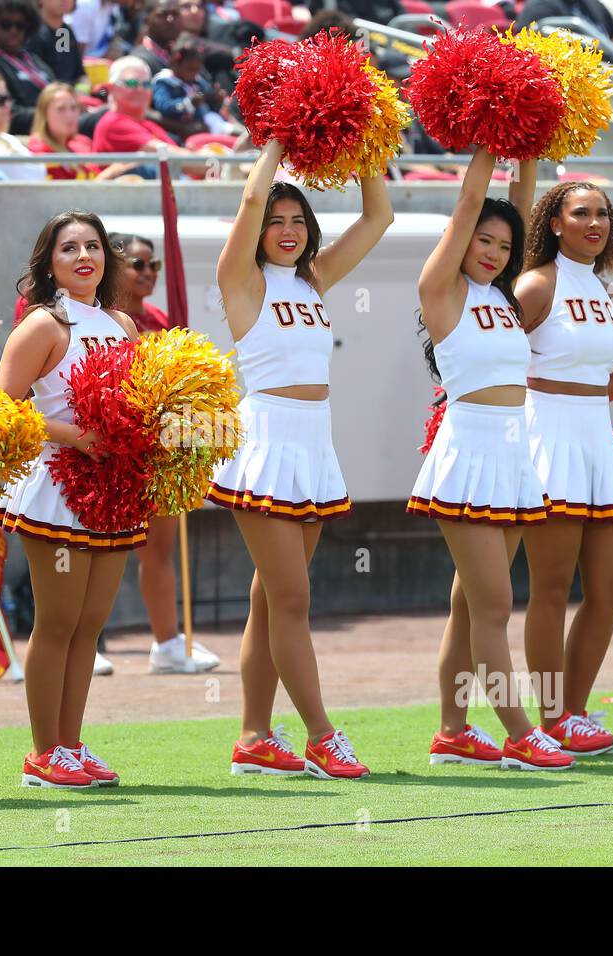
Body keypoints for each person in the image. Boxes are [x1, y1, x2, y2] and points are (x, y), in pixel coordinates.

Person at [209, 139, 391, 780]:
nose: (286, 231)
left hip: (315, 439)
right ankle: (321, 734)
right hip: (265, 440)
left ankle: (254, 738)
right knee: (292, 598)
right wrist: (281, 137)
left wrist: (369, 137)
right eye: (275, 222)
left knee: (270, 601)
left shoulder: (314, 278)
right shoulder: (241, 278)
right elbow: (252, 194)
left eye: (298, 222)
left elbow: (378, 219)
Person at [410, 152, 576, 771]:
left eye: (504, 244)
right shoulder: (442, 292)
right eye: (483, 240)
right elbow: (464, 209)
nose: (495, 251)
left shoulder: (504, 297)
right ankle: (518, 731)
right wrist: (486, 142)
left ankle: (453, 732)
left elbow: (523, 209)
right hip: (469, 455)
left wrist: (525, 148)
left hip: (513, 456)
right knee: (495, 607)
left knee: (469, 604)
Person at [0, 210, 147, 789]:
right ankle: (42, 752)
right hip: (56, 484)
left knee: (90, 626)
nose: (84, 257)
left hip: (113, 486)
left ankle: (72, 744)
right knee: (56, 622)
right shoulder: (42, 325)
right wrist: (77, 436)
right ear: (48, 261)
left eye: (93, 246)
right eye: (69, 248)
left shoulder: (124, 325)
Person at [515, 181, 613, 757]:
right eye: (581, 213)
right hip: (549, 435)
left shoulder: (607, 292)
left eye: (603, 215)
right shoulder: (537, 283)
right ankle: (552, 716)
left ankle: (577, 712)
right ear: (555, 222)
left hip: (596, 437)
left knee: (611, 587)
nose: (595, 223)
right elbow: (489, 356)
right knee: (551, 586)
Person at [105, 231, 221, 674]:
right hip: (108, 449)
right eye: (139, 265)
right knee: (97, 549)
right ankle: (91, 640)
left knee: (159, 549)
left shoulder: (159, 318)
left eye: (154, 265)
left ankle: (168, 643)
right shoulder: (97, 319)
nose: (149, 273)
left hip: (158, 451)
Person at [91, 56, 204, 178]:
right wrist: (211, 160)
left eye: (146, 84)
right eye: (132, 83)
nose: (140, 89)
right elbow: (176, 159)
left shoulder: (148, 125)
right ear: (113, 88)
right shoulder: (114, 123)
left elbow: (183, 160)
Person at [0, 0, 54, 135]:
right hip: (20, 137)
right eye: (6, 25)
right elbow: (3, 111)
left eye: (20, 26)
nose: (14, 30)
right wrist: (54, 115)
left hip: (55, 129)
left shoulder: (33, 60)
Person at [27, 81, 136, 180]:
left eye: (74, 108)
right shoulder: (39, 151)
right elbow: (62, 196)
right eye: (61, 109)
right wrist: (109, 174)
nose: (70, 115)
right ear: (44, 114)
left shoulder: (82, 142)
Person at [151, 32, 238, 141]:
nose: (193, 74)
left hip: (209, 123)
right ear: (174, 64)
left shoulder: (198, 81)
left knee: (239, 134)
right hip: (179, 129)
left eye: (196, 70)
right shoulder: (164, 81)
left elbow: (210, 105)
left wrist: (216, 99)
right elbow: (164, 106)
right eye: (189, 69)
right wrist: (188, 102)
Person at [27, 0, 84, 85]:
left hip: (72, 93)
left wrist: (83, 90)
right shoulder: (32, 33)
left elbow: (78, 73)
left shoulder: (65, 31)